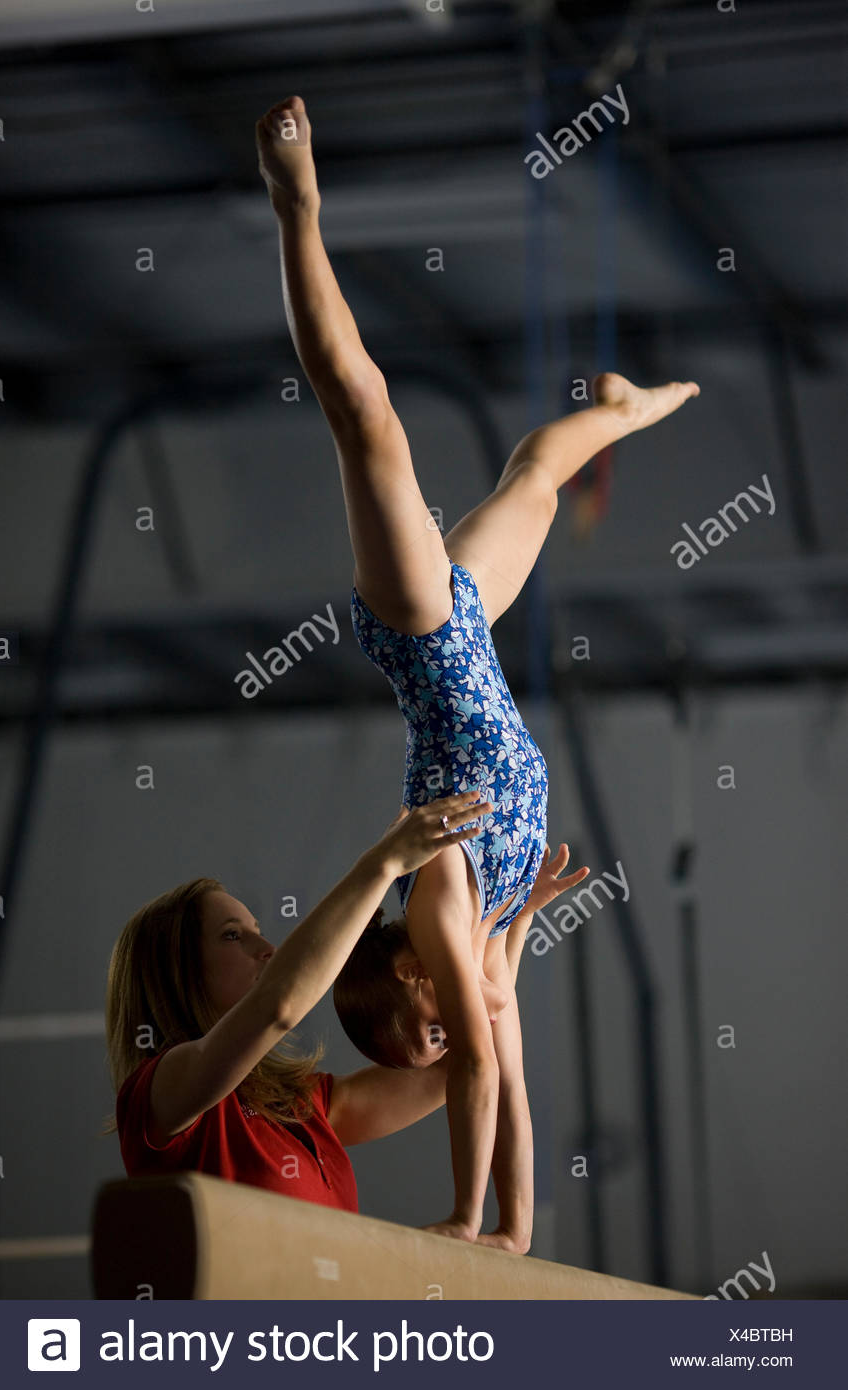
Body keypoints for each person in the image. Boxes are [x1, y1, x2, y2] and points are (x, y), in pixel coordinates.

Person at [255, 95, 700, 1251]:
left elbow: (475, 1078)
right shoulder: (484, 927)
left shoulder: (441, 902)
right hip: (472, 629)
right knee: (537, 474)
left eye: (417, 1034)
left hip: (420, 632)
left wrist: (463, 1216)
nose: (439, 1045)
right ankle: (620, 408)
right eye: (426, 1048)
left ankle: (294, 206)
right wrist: (515, 1232)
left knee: (365, 418)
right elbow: (502, 1051)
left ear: (405, 985)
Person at [105, 792, 491, 1213]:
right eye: (233, 935)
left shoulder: (305, 1108)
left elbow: (465, 1053)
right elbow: (280, 1007)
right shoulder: (160, 1094)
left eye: (258, 929)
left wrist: (505, 919)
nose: (267, 947)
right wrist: (383, 865)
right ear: (176, 971)